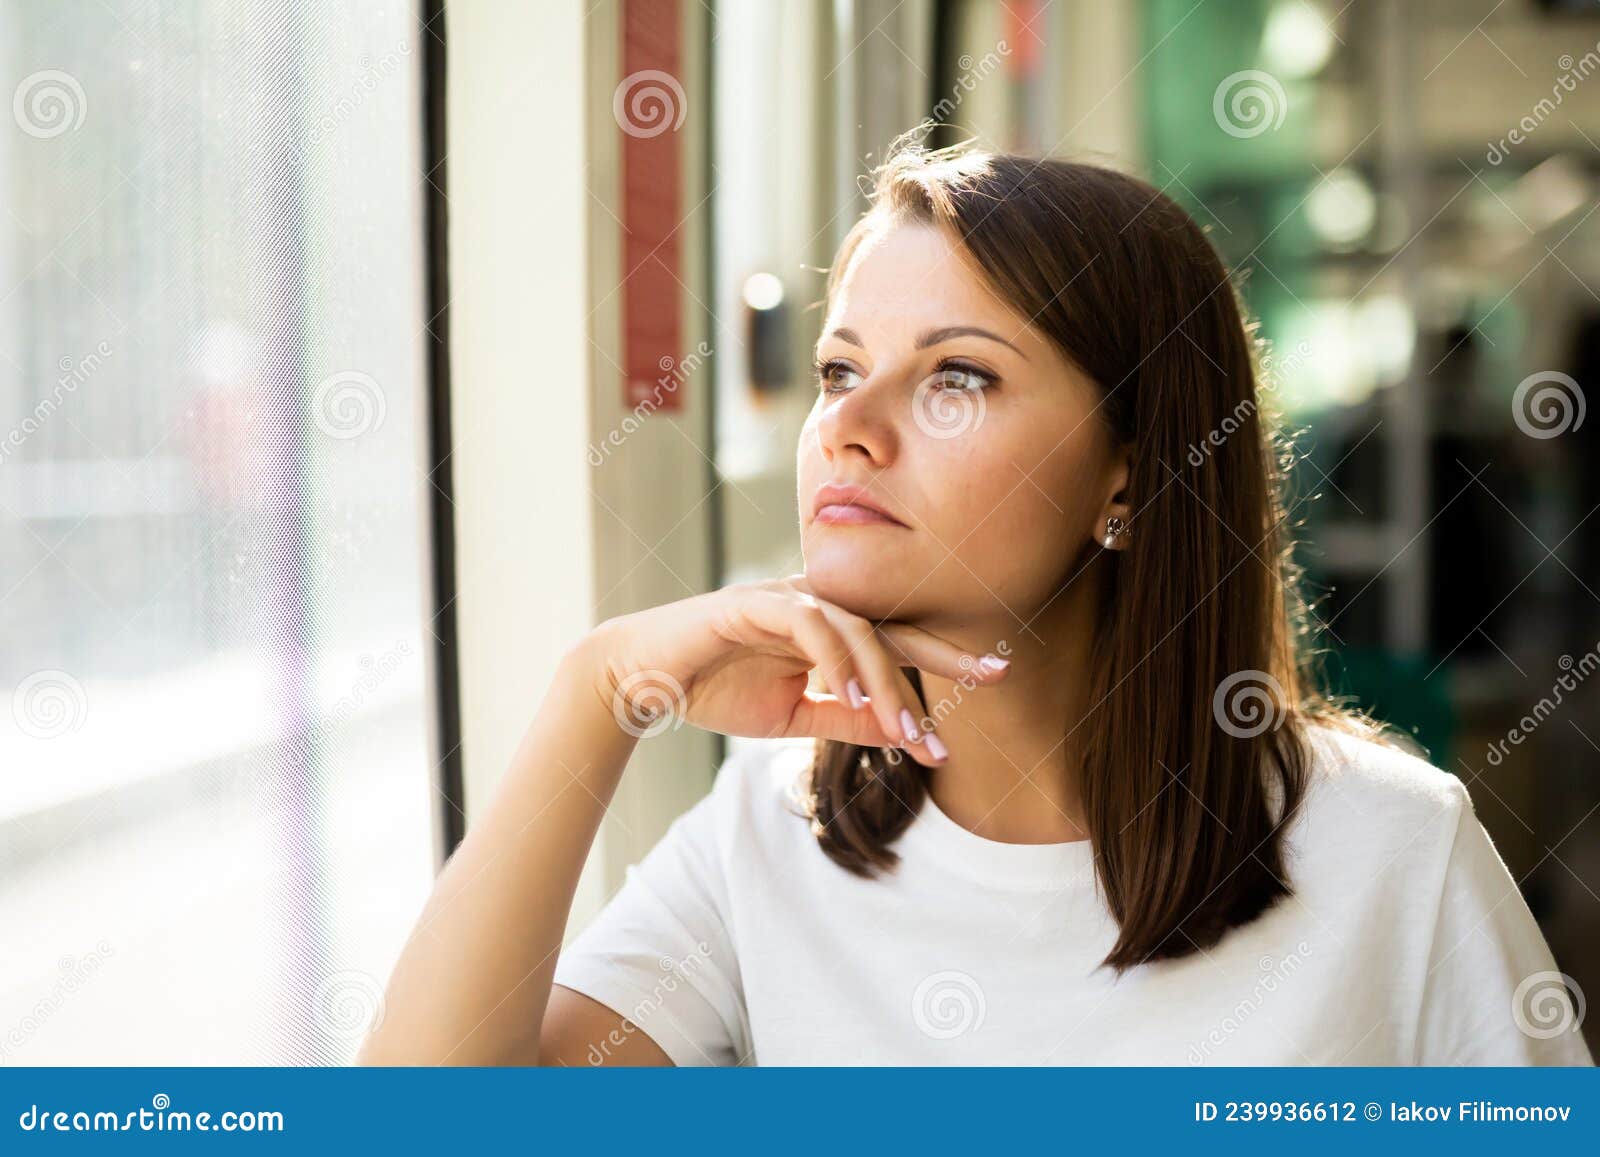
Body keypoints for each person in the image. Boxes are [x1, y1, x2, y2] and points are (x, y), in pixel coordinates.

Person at [360, 134, 1594, 1067]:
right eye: (841, 368)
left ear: (1130, 468)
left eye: (955, 376)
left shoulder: (1389, 847)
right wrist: (599, 692)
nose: (846, 424)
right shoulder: (771, 829)